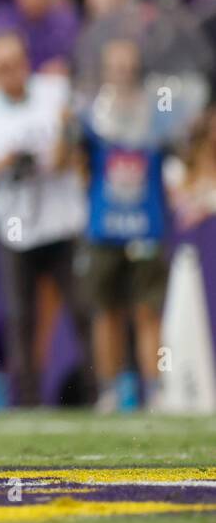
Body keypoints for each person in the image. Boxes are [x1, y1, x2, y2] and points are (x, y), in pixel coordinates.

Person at [0, 30, 93, 406]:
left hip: (63, 218)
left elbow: (80, 148)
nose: (8, 73)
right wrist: (4, 163)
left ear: (26, 62)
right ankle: (27, 401)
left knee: (84, 308)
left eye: (13, 64)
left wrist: (59, 148)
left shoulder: (56, 93)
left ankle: (101, 392)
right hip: (14, 225)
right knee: (20, 317)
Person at [74, 38, 205, 411]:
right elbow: (76, 165)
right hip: (103, 226)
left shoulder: (158, 114)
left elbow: (178, 159)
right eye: (116, 66)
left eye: (128, 66)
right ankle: (111, 389)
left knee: (148, 312)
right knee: (106, 311)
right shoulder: (91, 115)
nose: (122, 73)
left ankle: (154, 388)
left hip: (146, 225)